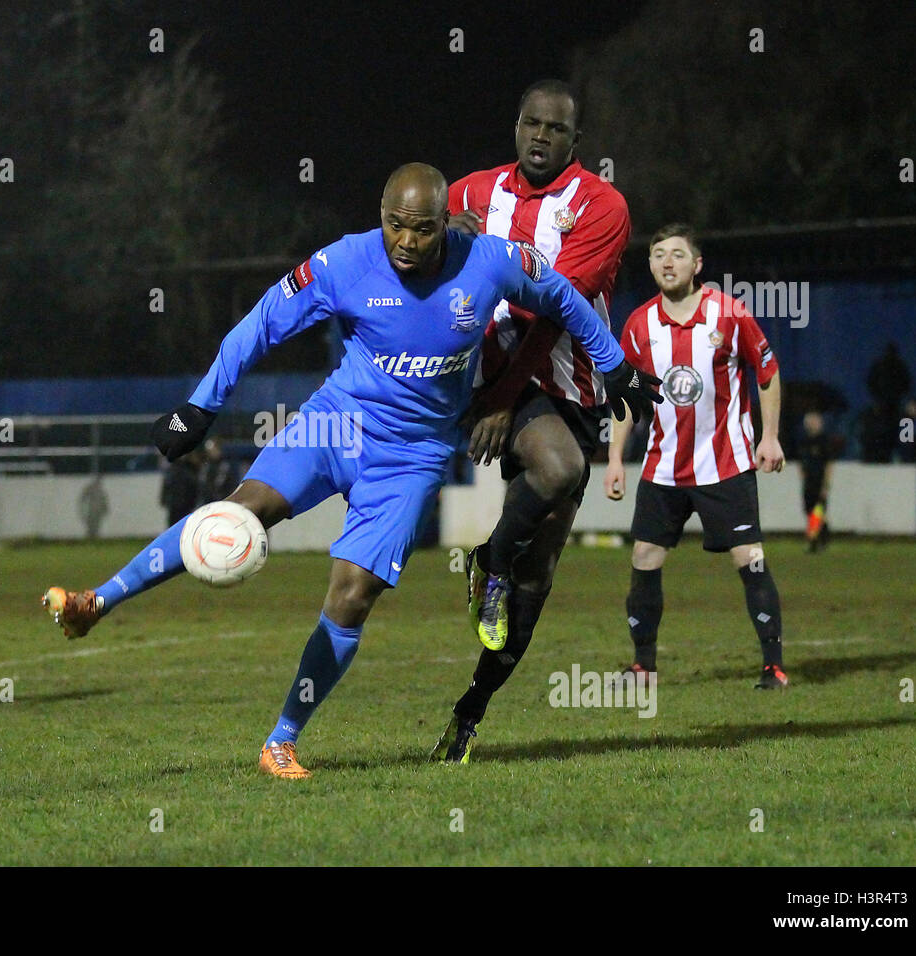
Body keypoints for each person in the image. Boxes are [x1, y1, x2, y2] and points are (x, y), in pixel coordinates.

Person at [43, 163, 660, 778]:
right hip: (337, 423)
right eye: (395, 226)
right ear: (381, 216)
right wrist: (201, 406)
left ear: (447, 222)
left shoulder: (489, 260)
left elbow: (560, 297)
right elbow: (261, 324)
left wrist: (613, 363)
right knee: (236, 512)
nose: (407, 242)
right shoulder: (344, 262)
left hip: (413, 456)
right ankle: (96, 601)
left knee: (352, 593)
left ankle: (280, 740)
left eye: (422, 230)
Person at [431, 79, 635, 763]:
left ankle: (470, 711)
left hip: (564, 387)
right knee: (561, 466)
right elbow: (402, 238)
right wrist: (439, 234)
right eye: (531, 124)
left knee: (539, 572)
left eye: (556, 129)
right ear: (516, 127)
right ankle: (486, 561)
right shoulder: (468, 193)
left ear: (577, 142)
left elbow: (555, 309)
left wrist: (500, 400)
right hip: (492, 382)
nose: (541, 137)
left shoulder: (602, 207)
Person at [603, 225, 789, 689]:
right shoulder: (639, 324)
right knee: (644, 556)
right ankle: (643, 666)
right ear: (649, 265)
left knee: (751, 559)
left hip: (724, 462)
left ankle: (773, 666)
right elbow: (628, 397)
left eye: (678, 255)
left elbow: (766, 371)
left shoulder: (729, 314)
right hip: (663, 466)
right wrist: (614, 459)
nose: (668, 263)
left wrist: (770, 438)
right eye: (658, 254)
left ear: (697, 264)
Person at [798, 410, 836, 551]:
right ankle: (818, 539)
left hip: (820, 483)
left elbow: (828, 464)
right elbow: (802, 462)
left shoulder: (824, 441)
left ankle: (818, 540)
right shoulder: (804, 442)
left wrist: (826, 485)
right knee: (809, 512)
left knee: (818, 512)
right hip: (808, 483)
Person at [159, 448, 201, 527]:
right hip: (177, 503)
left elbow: (193, 487)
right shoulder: (176, 469)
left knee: (179, 526)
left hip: (183, 503)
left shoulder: (188, 469)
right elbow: (168, 485)